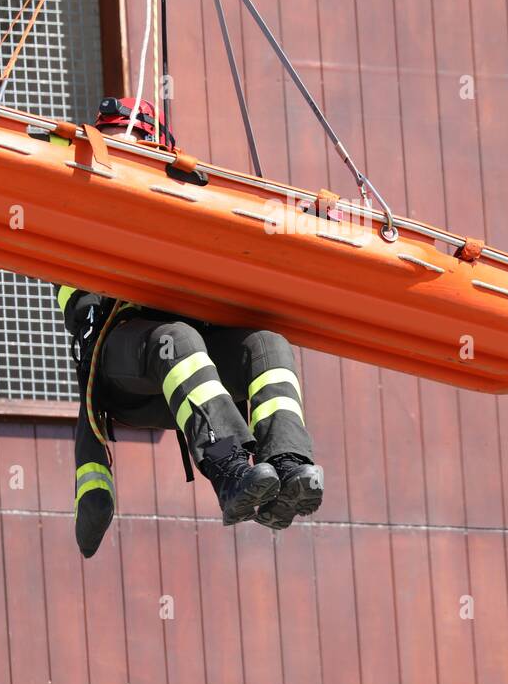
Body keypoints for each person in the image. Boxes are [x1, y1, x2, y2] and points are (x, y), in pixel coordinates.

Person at [59, 97, 324, 558]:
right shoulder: (81, 206)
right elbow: (78, 306)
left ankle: (287, 468)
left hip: (193, 368)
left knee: (266, 345)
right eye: (118, 145)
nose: (126, 155)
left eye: (138, 145)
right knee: (174, 338)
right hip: (127, 366)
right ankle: (228, 468)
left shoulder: (188, 207)